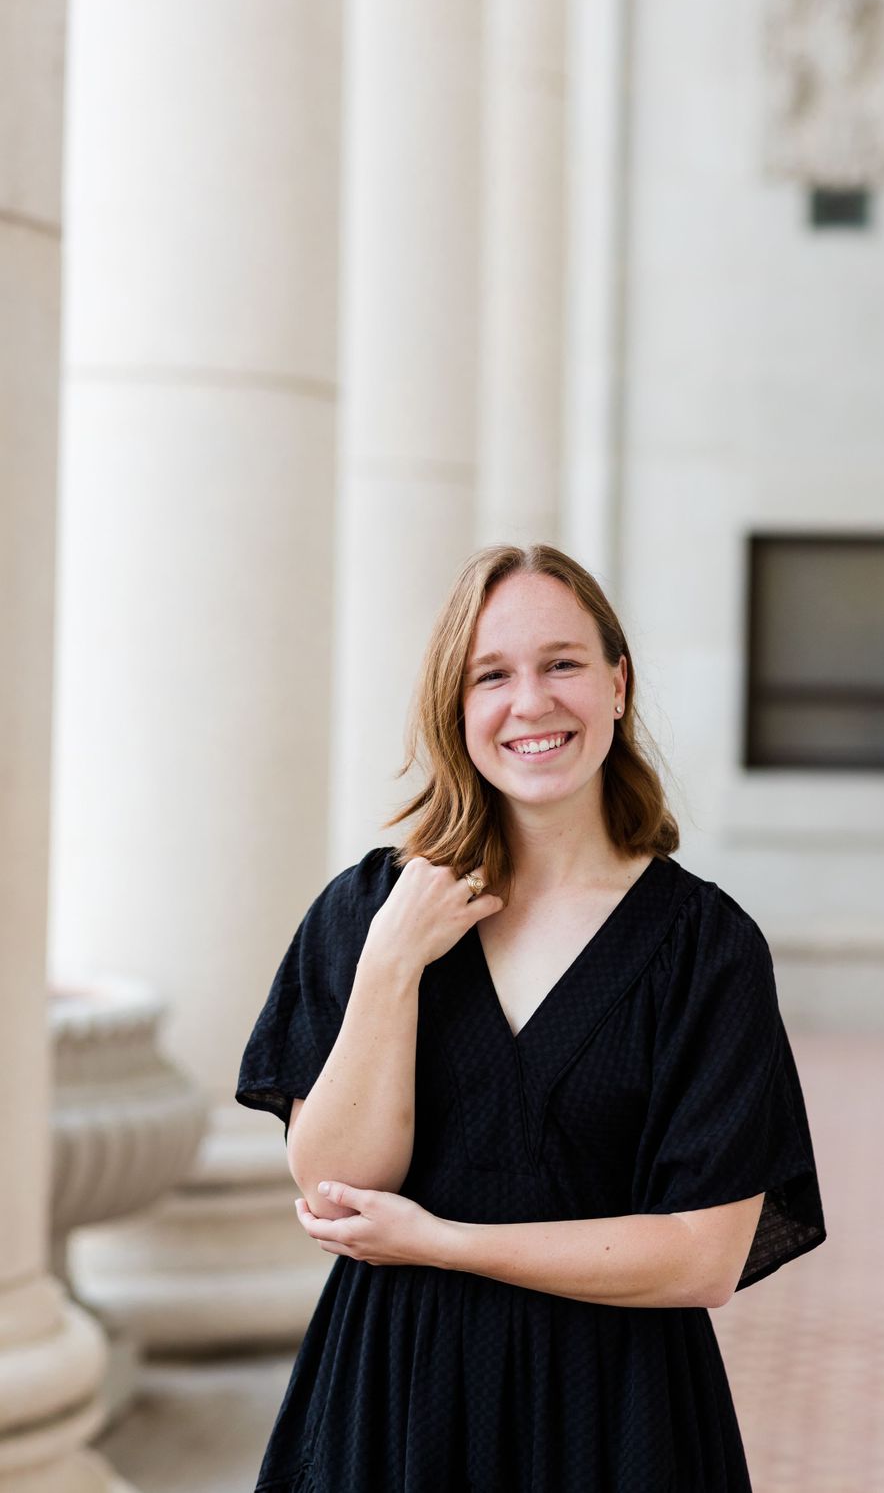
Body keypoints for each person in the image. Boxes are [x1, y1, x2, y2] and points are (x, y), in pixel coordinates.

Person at [235, 542, 826, 1492]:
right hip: (394, 1396)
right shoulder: (367, 913)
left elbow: (701, 1257)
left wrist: (443, 1242)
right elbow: (339, 1183)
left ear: (618, 685)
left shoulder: (706, 949)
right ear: (455, 706)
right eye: (492, 675)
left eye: (563, 664)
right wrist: (392, 964)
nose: (532, 703)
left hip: (617, 1412)